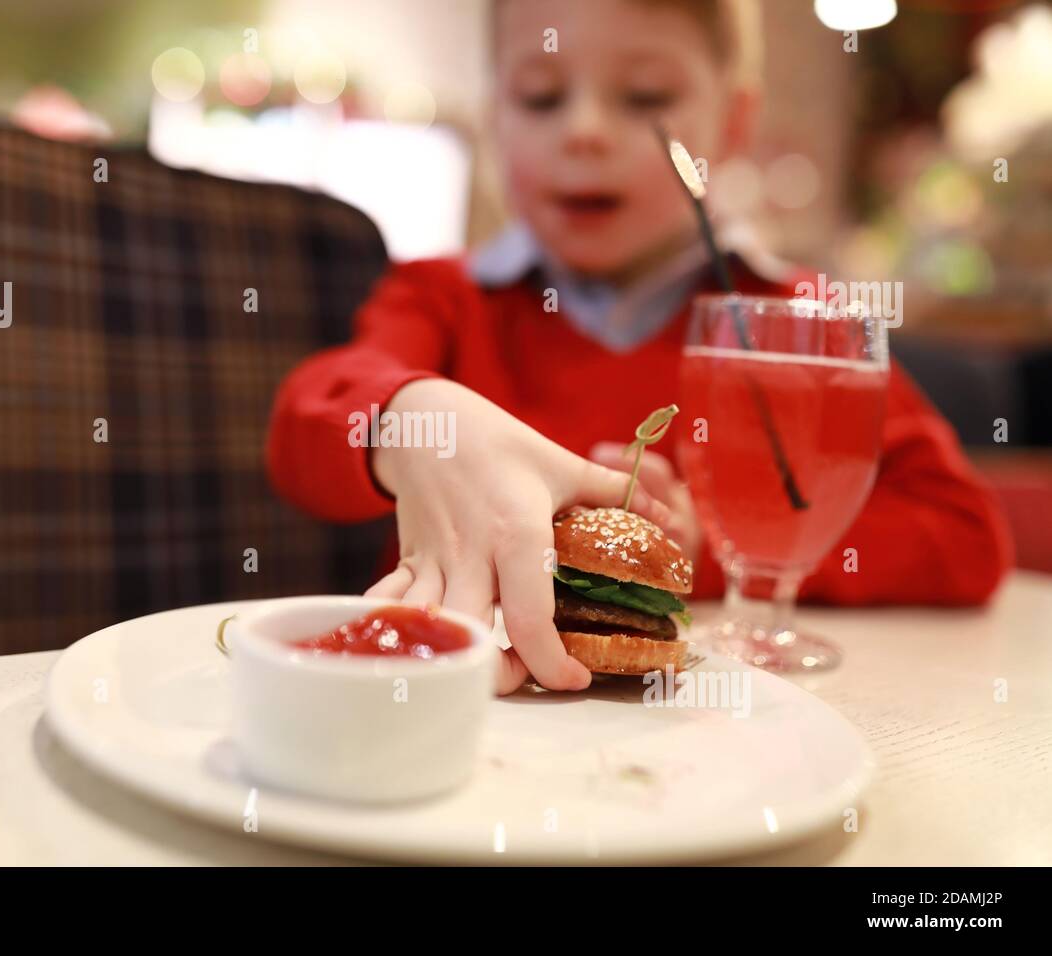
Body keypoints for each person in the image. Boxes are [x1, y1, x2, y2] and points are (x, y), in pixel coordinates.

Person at [266, 0, 1013, 695]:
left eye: (647, 96)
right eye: (541, 97)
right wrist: (411, 418)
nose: (585, 130)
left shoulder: (801, 325)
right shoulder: (443, 299)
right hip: (455, 706)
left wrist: (713, 548)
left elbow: (965, 536)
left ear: (733, 122)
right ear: (496, 118)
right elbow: (303, 428)